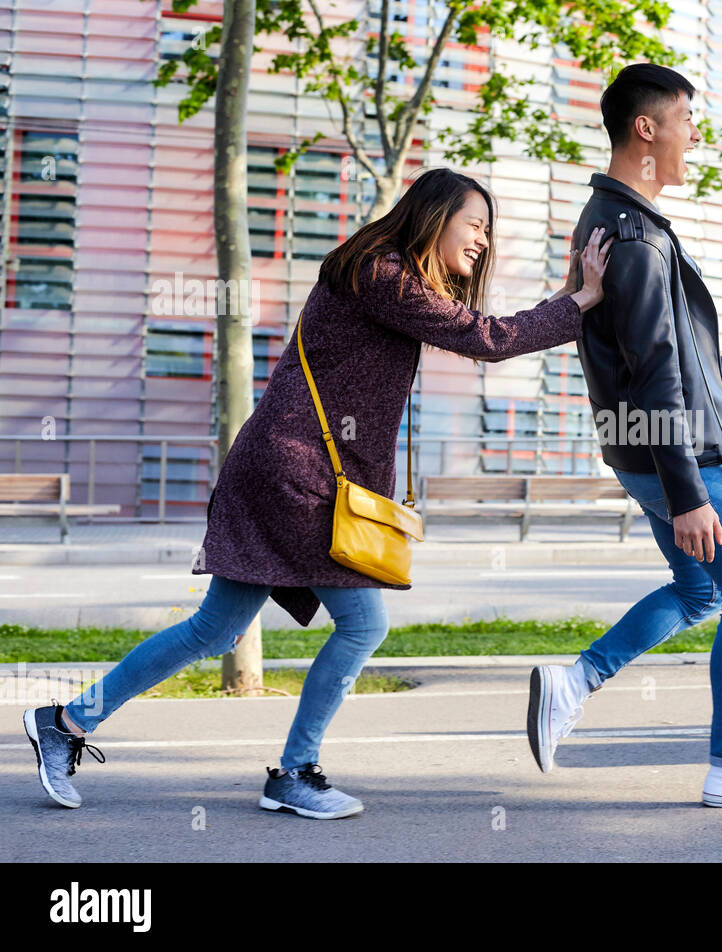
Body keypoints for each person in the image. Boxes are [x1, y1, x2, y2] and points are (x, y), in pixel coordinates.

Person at [23, 167, 615, 819]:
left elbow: (476, 328)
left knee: (214, 629)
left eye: (487, 229)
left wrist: (571, 298)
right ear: (433, 214)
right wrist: (580, 301)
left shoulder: (388, 275)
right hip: (294, 472)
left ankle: (65, 722)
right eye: (474, 224)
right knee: (362, 624)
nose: (482, 239)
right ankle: (295, 770)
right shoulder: (381, 272)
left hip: (281, 466)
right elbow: (487, 338)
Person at [526, 64, 722, 810]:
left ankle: (574, 681)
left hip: (652, 448)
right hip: (677, 454)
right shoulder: (632, 234)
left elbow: (676, 353)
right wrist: (688, 492)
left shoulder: (623, 222)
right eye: (688, 117)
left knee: (698, 594)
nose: (697, 133)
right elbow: (654, 368)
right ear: (646, 129)